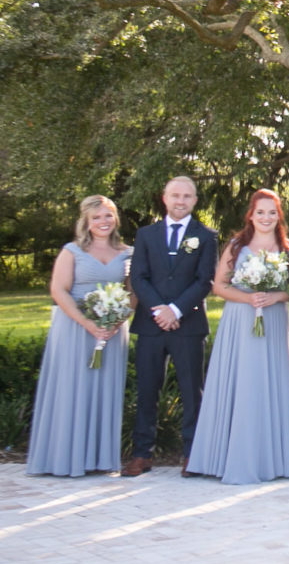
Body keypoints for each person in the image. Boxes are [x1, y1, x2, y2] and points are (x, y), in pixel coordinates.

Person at [184, 189, 289, 483]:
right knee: (241, 383)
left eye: (272, 212)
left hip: (272, 321)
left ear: (279, 215)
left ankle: (271, 461)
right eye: (260, 212)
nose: (266, 218)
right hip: (240, 319)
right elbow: (219, 286)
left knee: (267, 384)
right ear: (250, 215)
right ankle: (226, 457)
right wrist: (247, 299)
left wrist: (276, 296)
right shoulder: (237, 245)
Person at [27, 196, 132, 477]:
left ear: (115, 219)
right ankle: (65, 458)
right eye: (96, 217)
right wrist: (87, 323)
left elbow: (133, 294)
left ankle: (99, 458)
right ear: (86, 221)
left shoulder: (127, 253)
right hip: (74, 329)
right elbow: (58, 290)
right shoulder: (71, 251)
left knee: (103, 389)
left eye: (108, 216)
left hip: (110, 331)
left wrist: (116, 321)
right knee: (72, 389)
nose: (103, 222)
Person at [124, 175, 218, 476]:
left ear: (195, 200)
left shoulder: (205, 235)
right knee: (147, 390)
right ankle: (142, 454)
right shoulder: (146, 235)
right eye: (175, 195)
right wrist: (159, 311)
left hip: (188, 325)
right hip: (151, 325)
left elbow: (204, 281)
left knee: (193, 392)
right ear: (164, 198)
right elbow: (138, 277)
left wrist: (176, 310)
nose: (181, 201)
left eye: (187, 196)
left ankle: (192, 455)